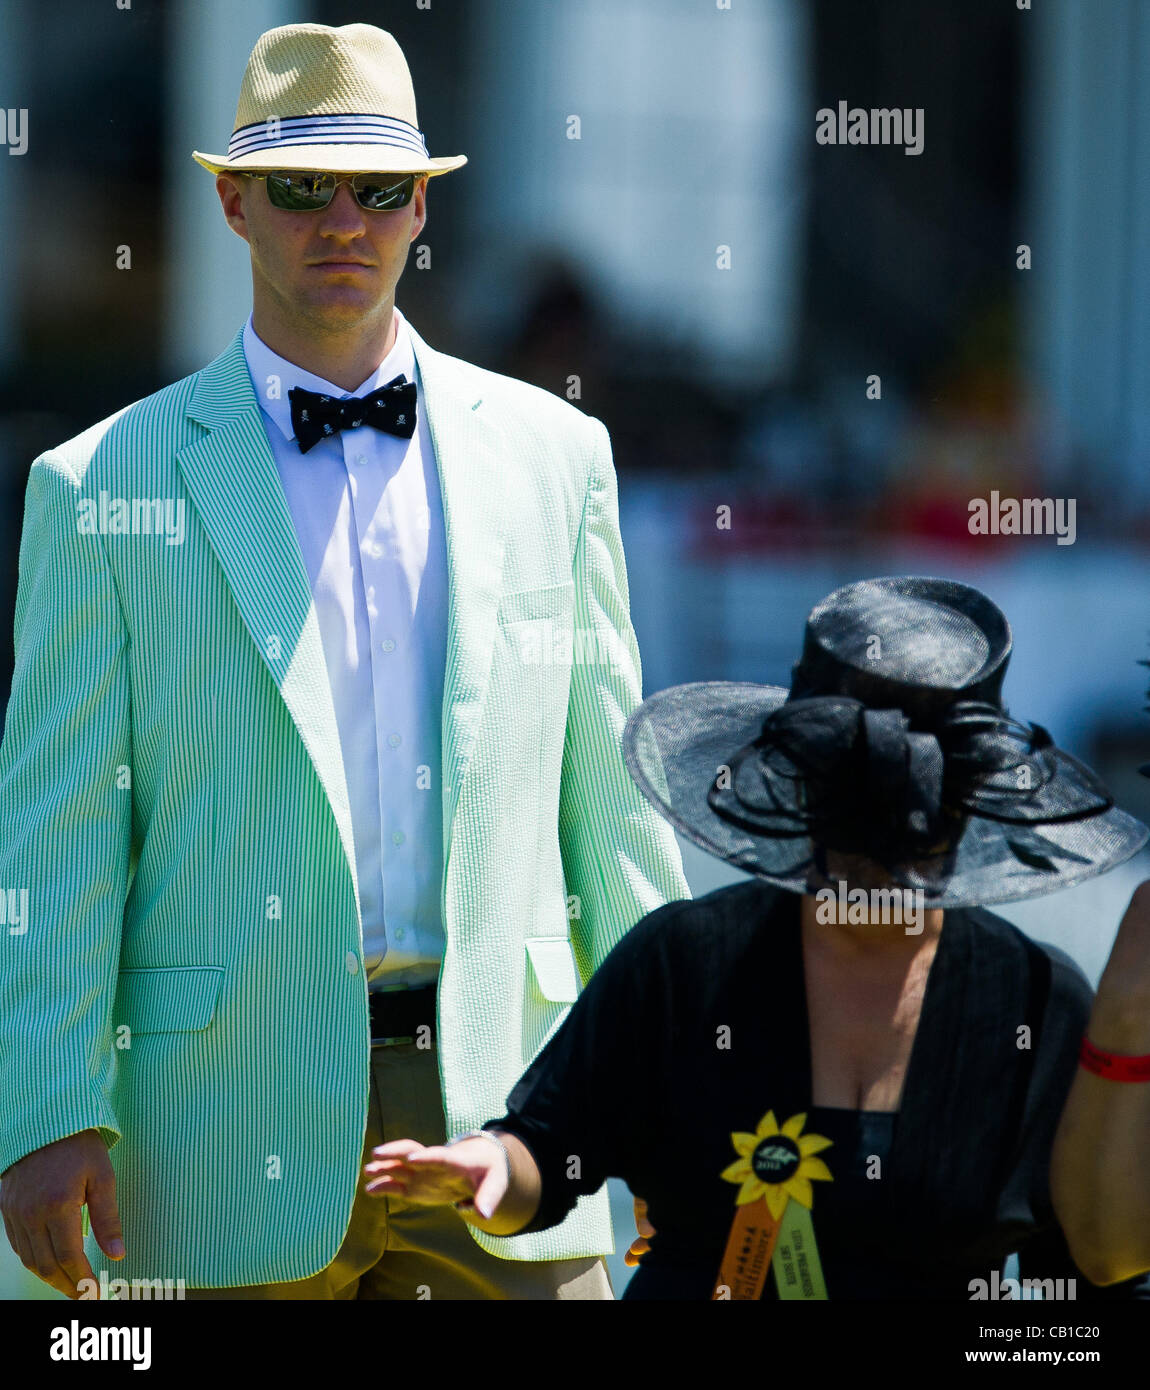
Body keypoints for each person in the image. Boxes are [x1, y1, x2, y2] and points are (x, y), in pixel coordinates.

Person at [0, 22, 688, 1301]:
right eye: (301, 187)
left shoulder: (555, 456)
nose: (342, 220)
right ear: (232, 201)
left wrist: (685, 1095)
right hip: (210, 1121)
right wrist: (46, 1106)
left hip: (513, 1115)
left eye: (378, 189)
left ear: (422, 205)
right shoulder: (97, 484)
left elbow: (614, 817)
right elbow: (56, 832)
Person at [365, 575, 1150, 1299]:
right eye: (857, 818)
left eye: (900, 823)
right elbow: (546, 1152)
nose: (873, 876)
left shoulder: (1035, 1003)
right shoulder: (685, 961)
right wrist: (489, 1171)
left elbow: (1086, 1284)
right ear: (802, 797)